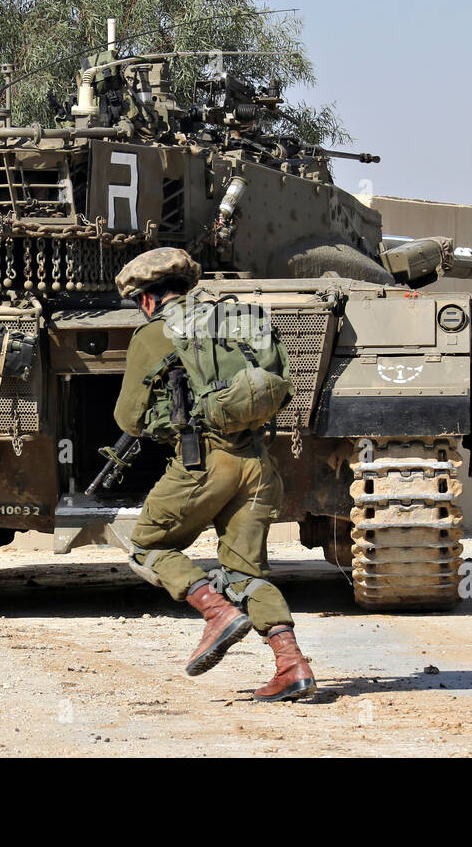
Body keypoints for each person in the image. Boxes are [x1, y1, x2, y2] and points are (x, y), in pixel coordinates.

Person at [112, 247, 316, 702]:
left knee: (147, 545)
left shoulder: (153, 335)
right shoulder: (243, 320)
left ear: (147, 299)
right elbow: (280, 382)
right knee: (247, 572)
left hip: (203, 462)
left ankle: (214, 611)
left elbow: (128, 418)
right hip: (258, 465)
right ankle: (291, 664)